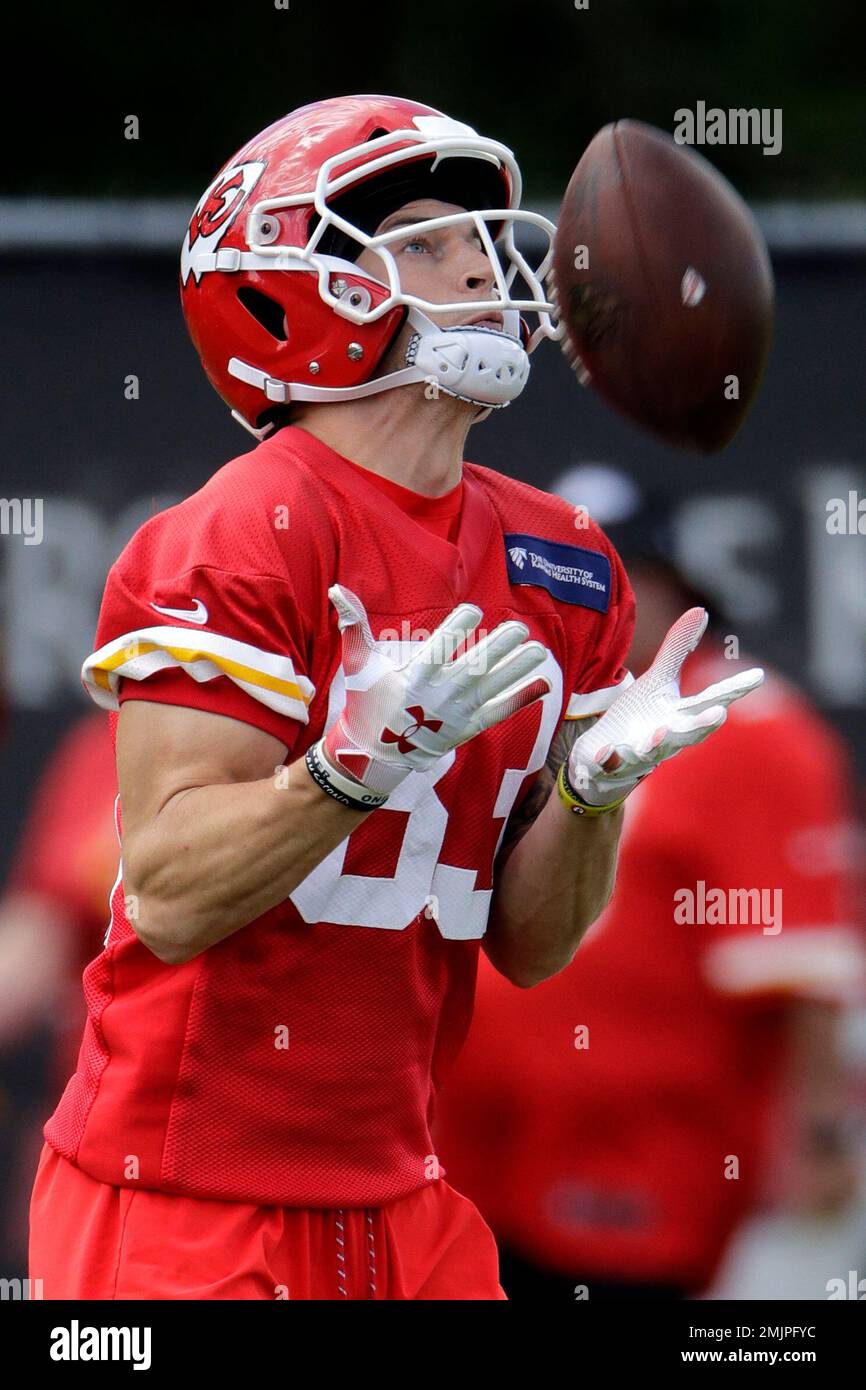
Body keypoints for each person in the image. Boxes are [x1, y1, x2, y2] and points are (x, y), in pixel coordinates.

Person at [28, 97, 761, 1300]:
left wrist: (585, 795)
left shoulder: (562, 557)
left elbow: (531, 947)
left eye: (477, 233)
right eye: (422, 237)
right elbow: (165, 894)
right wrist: (344, 774)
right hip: (179, 1200)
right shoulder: (237, 533)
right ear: (289, 289)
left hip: (403, 1194)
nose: (479, 260)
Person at [433, 469, 866, 1299]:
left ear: (673, 594)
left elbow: (802, 961)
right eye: (558, 584)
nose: (581, 609)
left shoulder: (741, 728)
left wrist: (817, 1134)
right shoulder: (518, 710)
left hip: (637, 1167)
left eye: (608, 584)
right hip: (479, 1155)